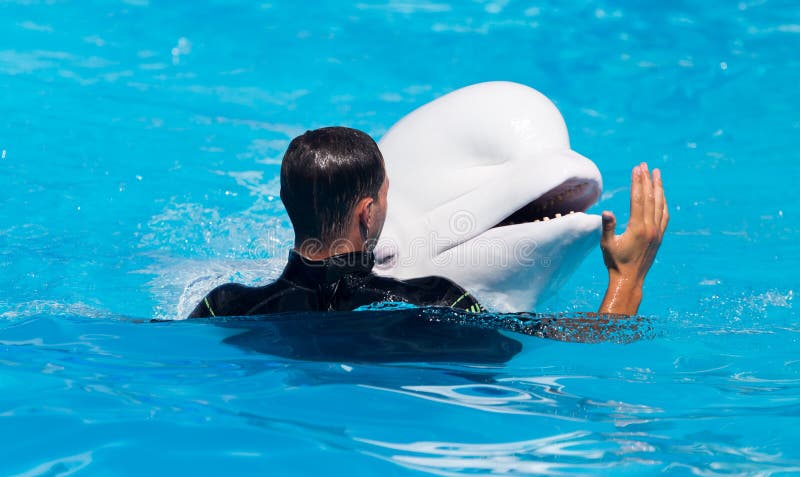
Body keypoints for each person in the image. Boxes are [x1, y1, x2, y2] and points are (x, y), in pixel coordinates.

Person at [189, 126, 668, 319]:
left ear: (284, 203)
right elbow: (590, 345)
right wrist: (628, 279)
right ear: (368, 212)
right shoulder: (429, 301)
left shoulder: (224, 306)